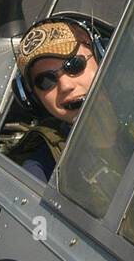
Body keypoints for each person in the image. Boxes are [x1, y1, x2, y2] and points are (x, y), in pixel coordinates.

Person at [5, 18, 101, 181]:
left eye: (74, 64)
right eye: (45, 81)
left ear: (102, 58)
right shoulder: (41, 171)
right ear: (33, 98)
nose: (65, 86)